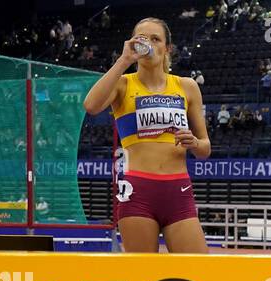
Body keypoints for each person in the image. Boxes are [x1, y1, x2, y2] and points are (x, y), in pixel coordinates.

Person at [83, 18, 210, 253]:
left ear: (167, 48)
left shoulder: (187, 86)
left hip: (178, 190)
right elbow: (90, 106)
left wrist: (194, 142)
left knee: (198, 271)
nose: (148, 44)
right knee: (142, 276)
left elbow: (205, 149)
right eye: (142, 39)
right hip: (137, 191)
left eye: (155, 39)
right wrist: (123, 60)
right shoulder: (122, 84)